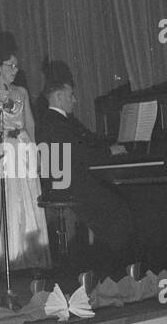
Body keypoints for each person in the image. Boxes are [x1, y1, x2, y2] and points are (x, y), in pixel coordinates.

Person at [39, 78, 135, 261]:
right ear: (59, 97)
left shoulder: (60, 119)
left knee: (117, 201)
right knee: (118, 207)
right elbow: (81, 153)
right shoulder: (56, 122)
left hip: (71, 178)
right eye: (71, 95)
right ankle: (117, 262)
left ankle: (115, 257)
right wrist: (110, 150)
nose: (74, 100)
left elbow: (89, 140)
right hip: (68, 183)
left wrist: (111, 145)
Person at [0, 52, 51, 271]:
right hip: (1, 151)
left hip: (22, 147)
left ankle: (32, 257)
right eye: (10, 65)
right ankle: (9, 258)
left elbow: (30, 124)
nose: (15, 70)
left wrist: (37, 151)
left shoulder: (21, 92)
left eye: (16, 66)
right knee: (8, 202)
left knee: (29, 200)